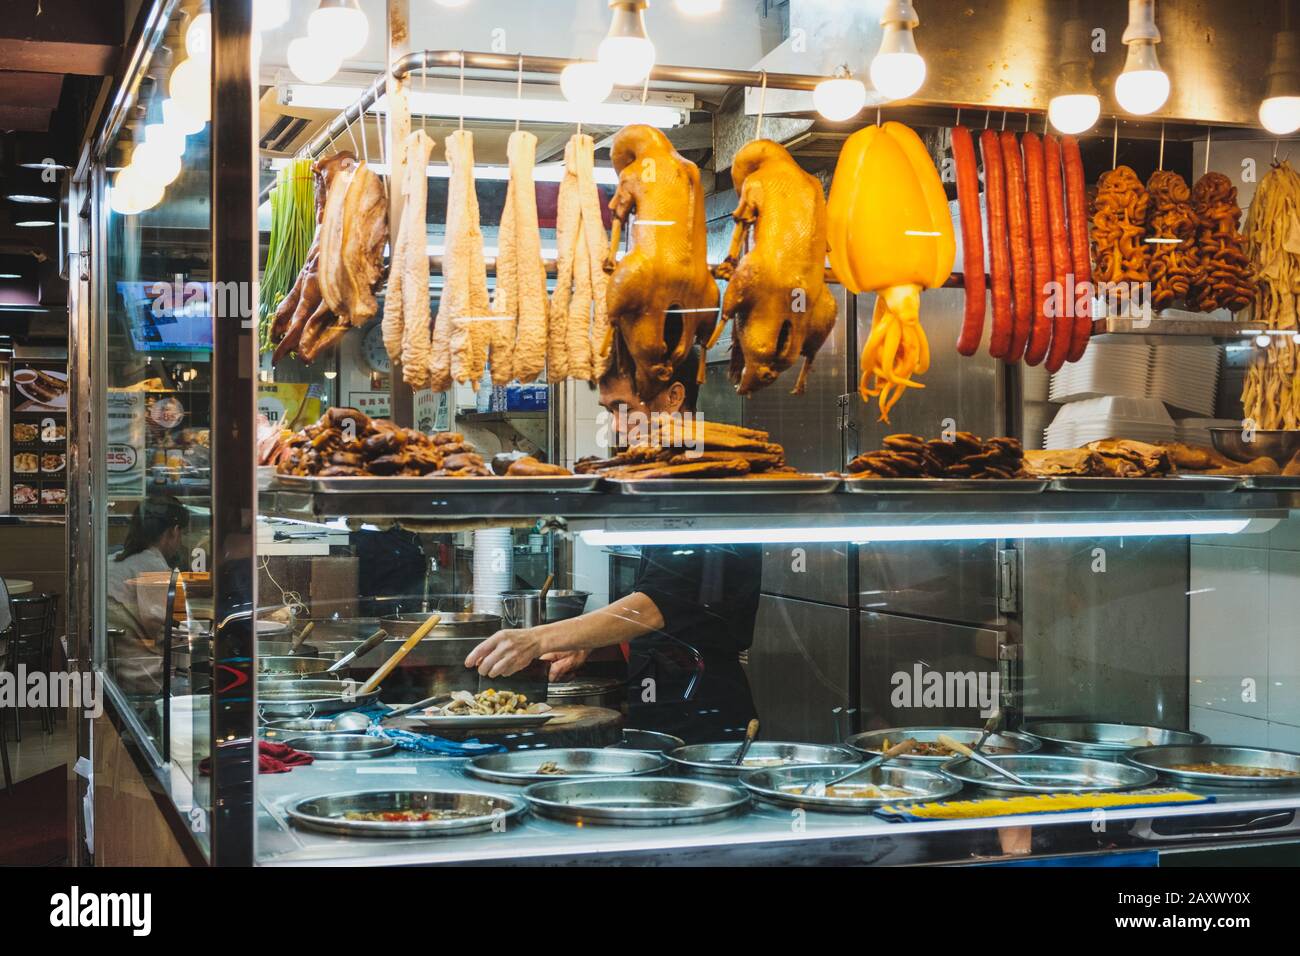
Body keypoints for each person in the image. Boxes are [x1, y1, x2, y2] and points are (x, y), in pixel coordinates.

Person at [464, 347, 762, 742]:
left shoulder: (707, 475)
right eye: (609, 412)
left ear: (674, 397)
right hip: (660, 693)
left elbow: (656, 605)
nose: (618, 429)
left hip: (704, 710)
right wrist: (588, 641)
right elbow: (671, 598)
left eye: (624, 408)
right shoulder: (662, 473)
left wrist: (538, 638)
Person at [106, 495, 191, 697]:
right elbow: (169, 633)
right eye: (182, 534)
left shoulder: (112, 561)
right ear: (174, 532)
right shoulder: (152, 568)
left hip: (114, 671)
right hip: (145, 677)